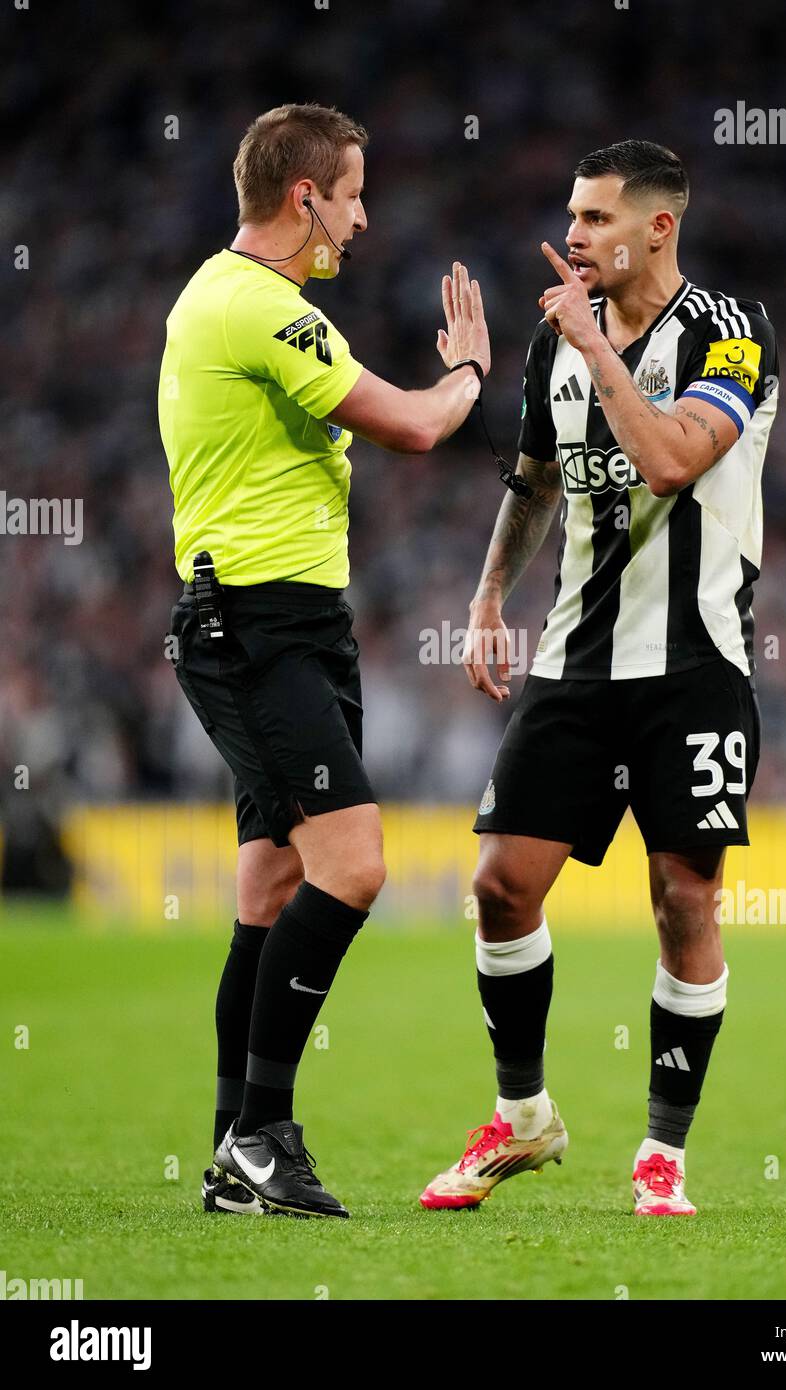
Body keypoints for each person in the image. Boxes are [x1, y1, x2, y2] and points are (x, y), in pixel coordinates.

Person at [420, 139, 778, 1216]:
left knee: (683, 895)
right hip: (575, 662)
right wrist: (489, 596)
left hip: (695, 667)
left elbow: (673, 459)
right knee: (498, 884)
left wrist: (596, 346)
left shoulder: (734, 331)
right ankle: (523, 1116)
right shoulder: (553, 344)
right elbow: (533, 479)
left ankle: (661, 1151)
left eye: (593, 219)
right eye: (569, 216)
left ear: (657, 227)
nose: (572, 235)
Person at [158, 102, 489, 1219]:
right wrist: (469, 374)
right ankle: (262, 1136)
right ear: (305, 198)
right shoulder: (262, 306)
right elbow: (411, 425)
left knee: (270, 883)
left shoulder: (227, 298)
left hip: (283, 621)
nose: (361, 214)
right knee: (353, 865)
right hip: (255, 623)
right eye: (351, 192)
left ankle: (229, 1155)